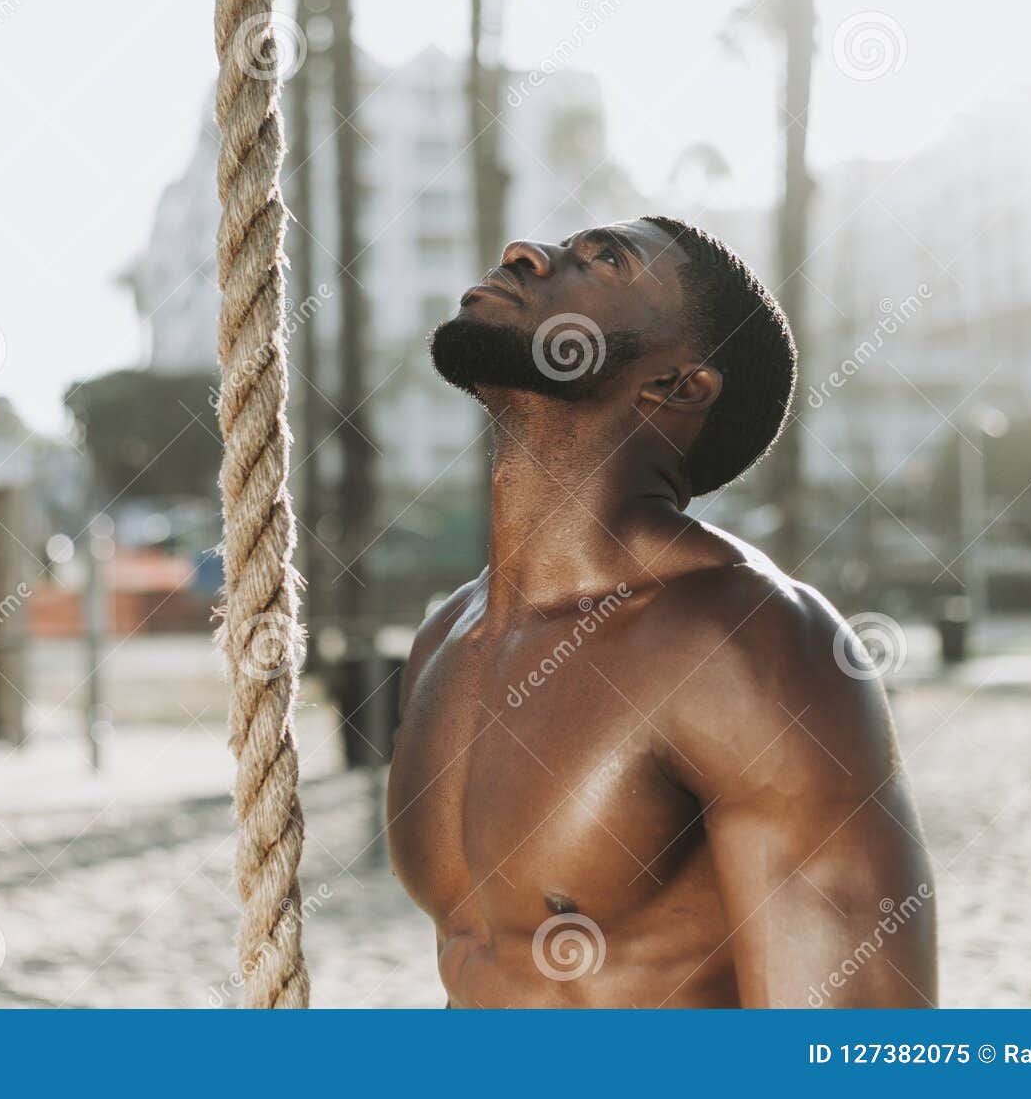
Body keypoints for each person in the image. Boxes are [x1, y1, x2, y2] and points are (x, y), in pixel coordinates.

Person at [386, 217, 937, 1007]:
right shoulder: (450, 635)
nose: (525, 253)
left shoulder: (754, 643)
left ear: (676, 385)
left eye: (605, 260)